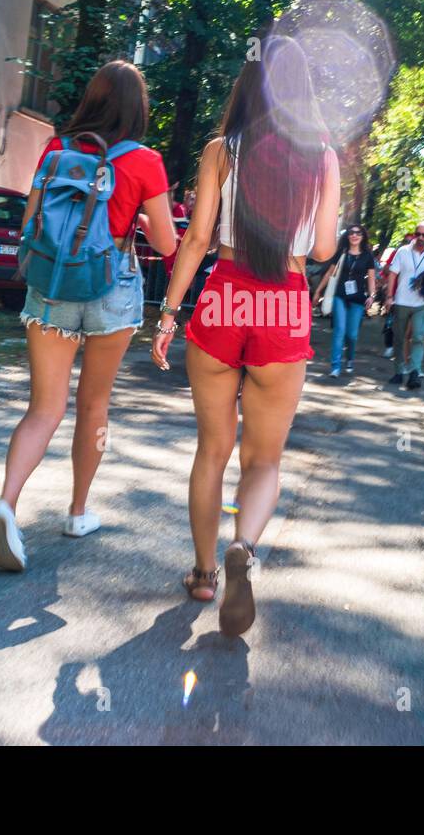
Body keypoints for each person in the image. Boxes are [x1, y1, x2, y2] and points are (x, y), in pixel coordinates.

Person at [152, 36, 340, 637]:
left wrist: (167, 316)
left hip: (223, 298)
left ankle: (204, 573)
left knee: (213, 449)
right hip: (283, 306)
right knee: (264, 458)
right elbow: (323, 250)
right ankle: (244, 549)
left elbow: (197, 238)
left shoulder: (220, 150)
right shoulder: (323, 156)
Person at [0, 60, 177, 571]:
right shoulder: (144, 161)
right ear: (139, 107)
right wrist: (131, 213)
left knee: (43, 408)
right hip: (111, 285)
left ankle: (6, 503)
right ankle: (77, 512)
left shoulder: (56, 149)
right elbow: (165, 242)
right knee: (93, 406)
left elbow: (30, 222)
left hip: (52, 284)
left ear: (92, 99)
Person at [314, 224, 377, 377]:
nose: (354, 235)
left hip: (357, 298)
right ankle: (335, 366)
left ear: (362, 237)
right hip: (340, 295)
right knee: (339, 330)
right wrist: (318, 291)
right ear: (348, 236)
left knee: (352, 334)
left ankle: (349, 359)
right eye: (351, 233)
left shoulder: (367, 256)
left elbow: (371, 278)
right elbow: (330, 273)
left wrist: (372, 296)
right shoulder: (341, 253)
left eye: (358, 233)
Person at [386, 224, 424, 389]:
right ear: (414, 234)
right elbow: (393, 274)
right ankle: (398, 371)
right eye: (418, 234)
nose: (420, 237)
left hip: (421, 303)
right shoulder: (403, 251)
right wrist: (389, 296)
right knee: (399, 337)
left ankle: (414, 372)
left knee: (418, 336)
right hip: (402, 300)